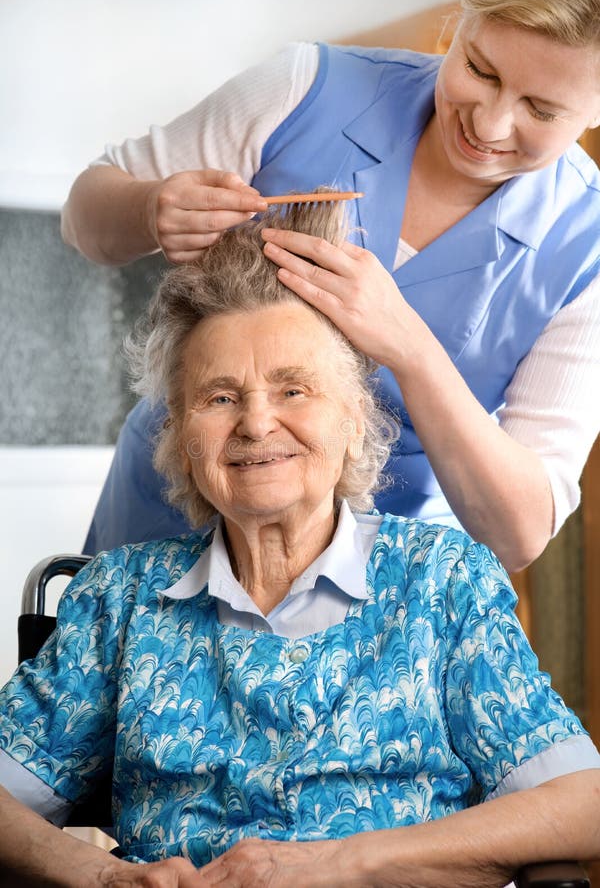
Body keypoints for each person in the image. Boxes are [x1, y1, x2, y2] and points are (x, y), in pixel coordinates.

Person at [1, 200, 599, 887]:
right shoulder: (120, 600)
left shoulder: (442, 580)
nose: (257, 423)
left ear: (354, 420)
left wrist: (343, 863)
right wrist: (95, 875)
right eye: (220, 397)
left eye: (293, 389)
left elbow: (582, 803)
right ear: (180, 438)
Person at [62, 0, 600, 573]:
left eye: (542, 111)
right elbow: (84, 219)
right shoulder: (302, 88)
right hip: (175, 509)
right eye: (479, 69)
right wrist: (148, 210)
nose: (490, 123)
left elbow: (519, 533)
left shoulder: (585, 244)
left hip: (369, 582)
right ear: (461, 21)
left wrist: (409, 346)